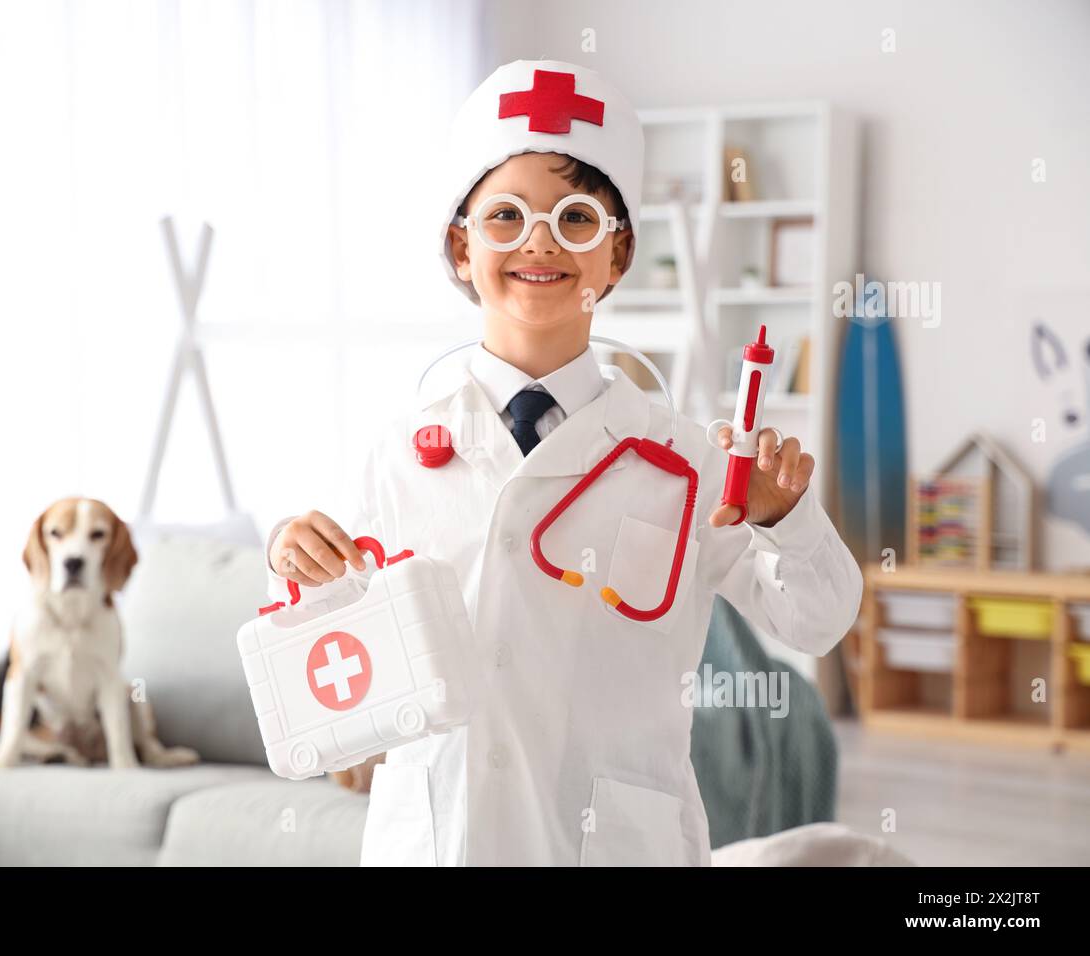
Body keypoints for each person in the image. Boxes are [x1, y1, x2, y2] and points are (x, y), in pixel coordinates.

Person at [263, 59, 862, 866]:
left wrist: (784, 519)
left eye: (576, 219)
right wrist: (296, 568)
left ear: (617, 259)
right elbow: (331, 661)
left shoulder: (688, 459)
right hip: (441, 839)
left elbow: (816, 621)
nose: (539, 241)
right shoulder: (396, 453)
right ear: (459, 246)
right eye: (504, 216)